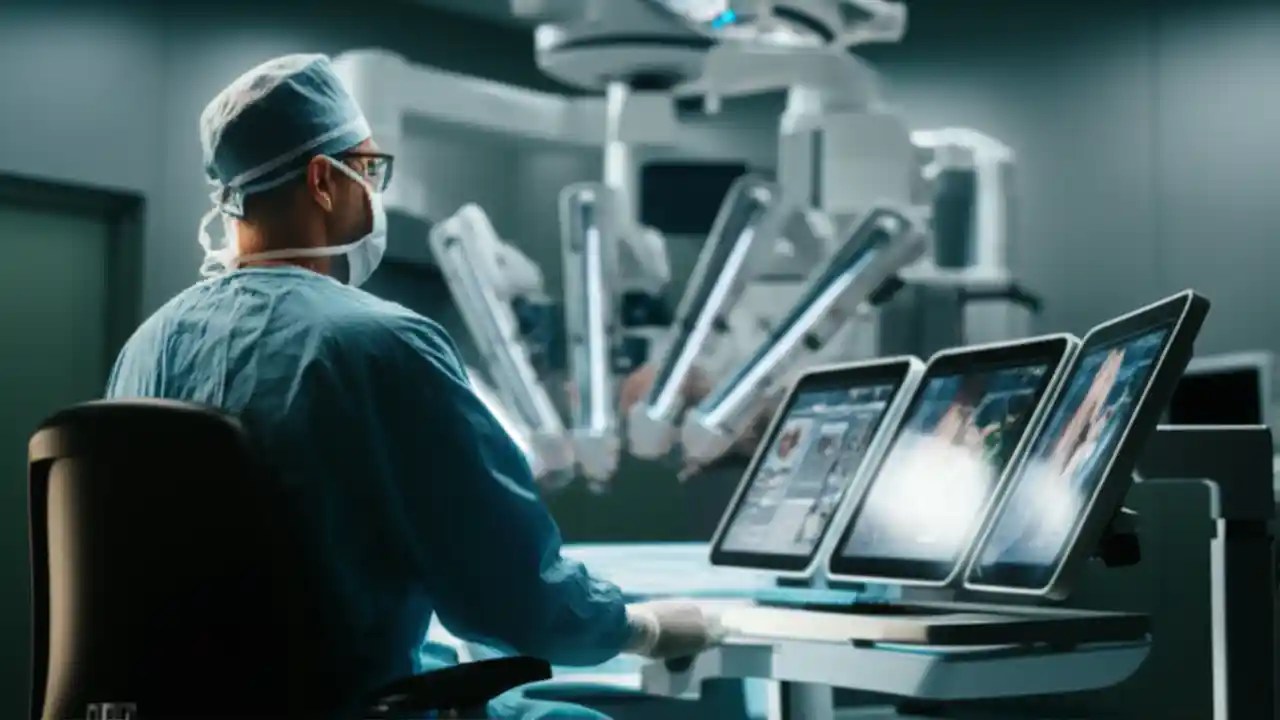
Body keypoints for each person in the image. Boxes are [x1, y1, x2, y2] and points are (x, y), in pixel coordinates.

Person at [106, 54, 717, 720]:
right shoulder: (382, 344)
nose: (374, 193)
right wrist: (642, 628)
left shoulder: (145, 349)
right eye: (368, 171)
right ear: (321, 179)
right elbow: (509, 596)